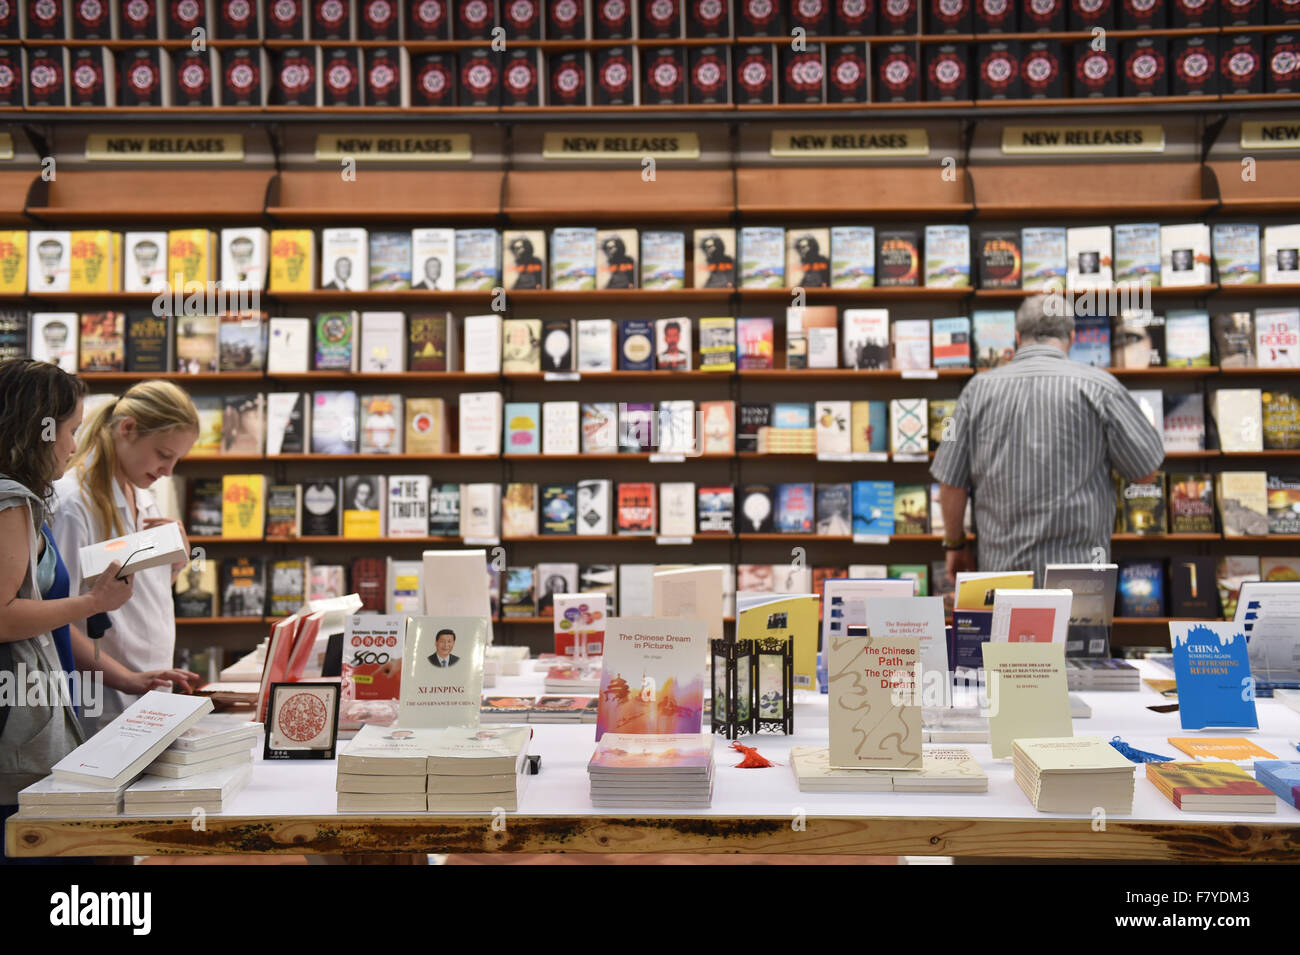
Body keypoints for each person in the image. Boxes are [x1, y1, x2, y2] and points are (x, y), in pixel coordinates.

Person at [0, 361, 195, 860]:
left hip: (89, 696)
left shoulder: (125, 492)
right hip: (56, 707)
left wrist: (170, 557)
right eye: (68, 430)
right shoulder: (45, 501)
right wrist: (97, 613)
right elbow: (32, 611)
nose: (72, 443)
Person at [931, 294, 1165, 584]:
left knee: (1003, 630)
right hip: (1081, 578)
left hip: (1001, 578)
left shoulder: (974, 391)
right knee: (1081, 632)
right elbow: (1146, 472)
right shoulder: (1101, 387)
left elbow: (950, 480)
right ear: (1072, 336)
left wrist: (955, 544)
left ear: (1017, 336)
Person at [52, 380, 204, 733]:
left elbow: (131, 599)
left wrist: (176, 564)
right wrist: (126, 678)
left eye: (178, 459)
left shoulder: (142, 492)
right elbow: (57, 615)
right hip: (106, 699)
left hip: (147, 693)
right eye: (164, 455)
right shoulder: (74, 504)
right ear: (128, 429)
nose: (169, 470)